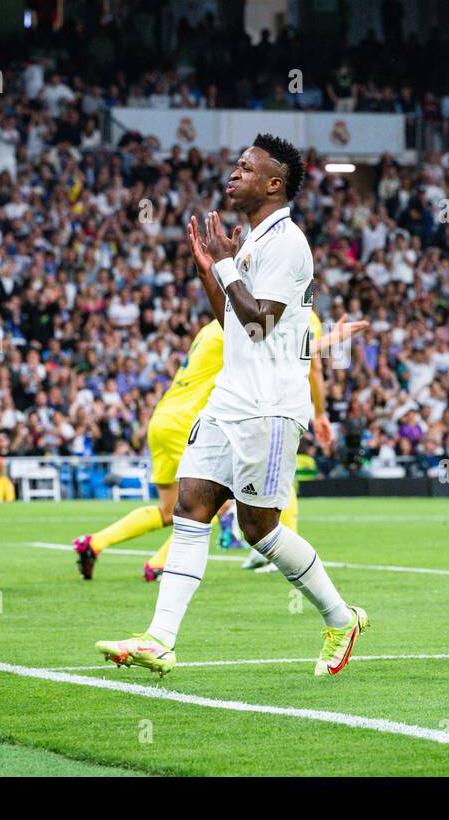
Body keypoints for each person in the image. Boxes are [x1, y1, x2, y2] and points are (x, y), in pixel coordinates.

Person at [96, 134, 367, 677]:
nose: (234, 173)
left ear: (274, 183)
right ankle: (160, 639)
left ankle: (341, 617)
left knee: (259, 529)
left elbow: (261, 322)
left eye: (247, 167)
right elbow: (233, 325)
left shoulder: (287, 242)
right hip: (229, 400)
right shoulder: (250, 241)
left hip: (269, 408)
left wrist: (223, 266)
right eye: (237, 164)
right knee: (191, 508)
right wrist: (208, 269)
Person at [72, 311, 364, 581]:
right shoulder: (276, 314)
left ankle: (94, 543)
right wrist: (330, 343)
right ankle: (162, 564)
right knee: (216, 501)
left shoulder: (219, 321)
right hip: (194, 420)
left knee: (167, 511)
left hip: (163, 418)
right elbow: (290, 356)